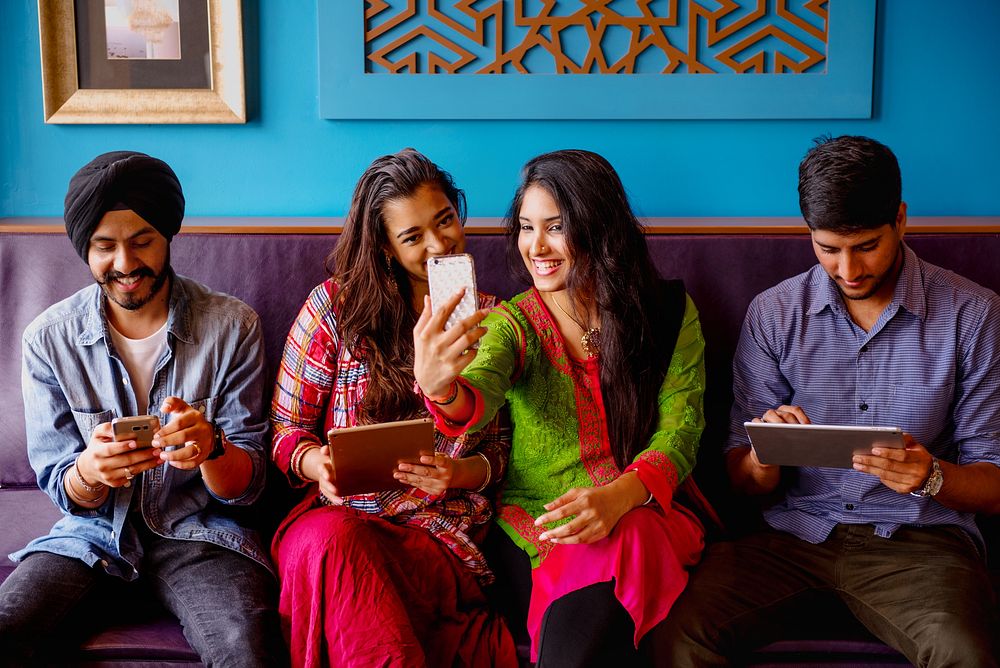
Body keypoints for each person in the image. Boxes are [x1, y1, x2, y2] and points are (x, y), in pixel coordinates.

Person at [658, 135, 1000, 666]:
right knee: (676, 633)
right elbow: (738, 478)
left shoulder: (973, 316)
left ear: (901, 221)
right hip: (794, 537)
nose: (847, 270)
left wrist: (932, 476)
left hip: (921, 542)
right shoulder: (773, 314)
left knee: (965, 653)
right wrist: (762, 458)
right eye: (827, 248)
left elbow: (994, 481)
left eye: (866, 246)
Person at [414, 149, 711, 665]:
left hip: (642, 510)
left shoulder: (665, 312)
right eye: (527, 228)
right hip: (542, 525)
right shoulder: (512, 324)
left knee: (634, 535)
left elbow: (681, 431)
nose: (537, 247)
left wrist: (619, 498)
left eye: (556, 227)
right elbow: (477, 392)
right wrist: (442, 390)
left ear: (598, 227)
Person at [0, 151, 285, 665]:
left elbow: (250, 485)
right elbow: (61, 483)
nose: (126, 264)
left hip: (201, 536)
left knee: (249, 647)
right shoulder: (48, 339)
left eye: (142, 241)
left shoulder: (232, 326)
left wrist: (212, 448)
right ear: (84, 247)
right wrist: (89, 472)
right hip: (90, 538)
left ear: (168, 236)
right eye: (105, 247)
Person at [269, 148, 517, 668]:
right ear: (384, 246)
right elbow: (286, 432)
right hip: (339, 522)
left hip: (437, 535)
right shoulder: (334, 310)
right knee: (336, 542)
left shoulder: (495, 321)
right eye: (413, 236)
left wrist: (455, 473)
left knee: (354, 573)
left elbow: (498, 457)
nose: (439, 243)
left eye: (445, 220)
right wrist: (321, 466)